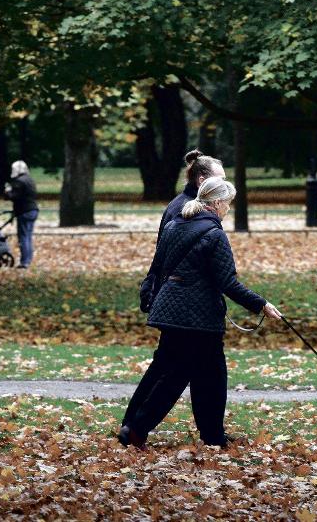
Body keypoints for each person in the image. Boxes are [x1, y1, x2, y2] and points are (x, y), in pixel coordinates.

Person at [119, 177, 281, 449]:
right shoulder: (215, 234)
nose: (228, 209)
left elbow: (160, 267)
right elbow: (228, 282)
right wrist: (261, 304)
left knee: (210, 373)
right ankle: (136, 428)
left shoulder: (173, 225)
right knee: (177, 377)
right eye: (227, 203)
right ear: (216, 203)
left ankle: (212, 435)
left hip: (172, 311)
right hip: (197, 319)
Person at [123, 149, 225, 428]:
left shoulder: (190, 206)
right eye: (221, 179)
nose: (225, 186)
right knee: (171, 370)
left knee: (197, 368)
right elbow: (167, 258)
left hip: (188, 304)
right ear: (203, 180)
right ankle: (134, 426)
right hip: (184, 306)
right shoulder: (185, 208)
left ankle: (211, 433)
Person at [4, 160, 38, 268]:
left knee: (23, 237)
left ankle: (25, 262)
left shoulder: (19, 181)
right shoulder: (30, 180)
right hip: (33, 210)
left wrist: (7, 191)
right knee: (28, 236)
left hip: (24, 211)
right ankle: (28, 260)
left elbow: (14, 196)